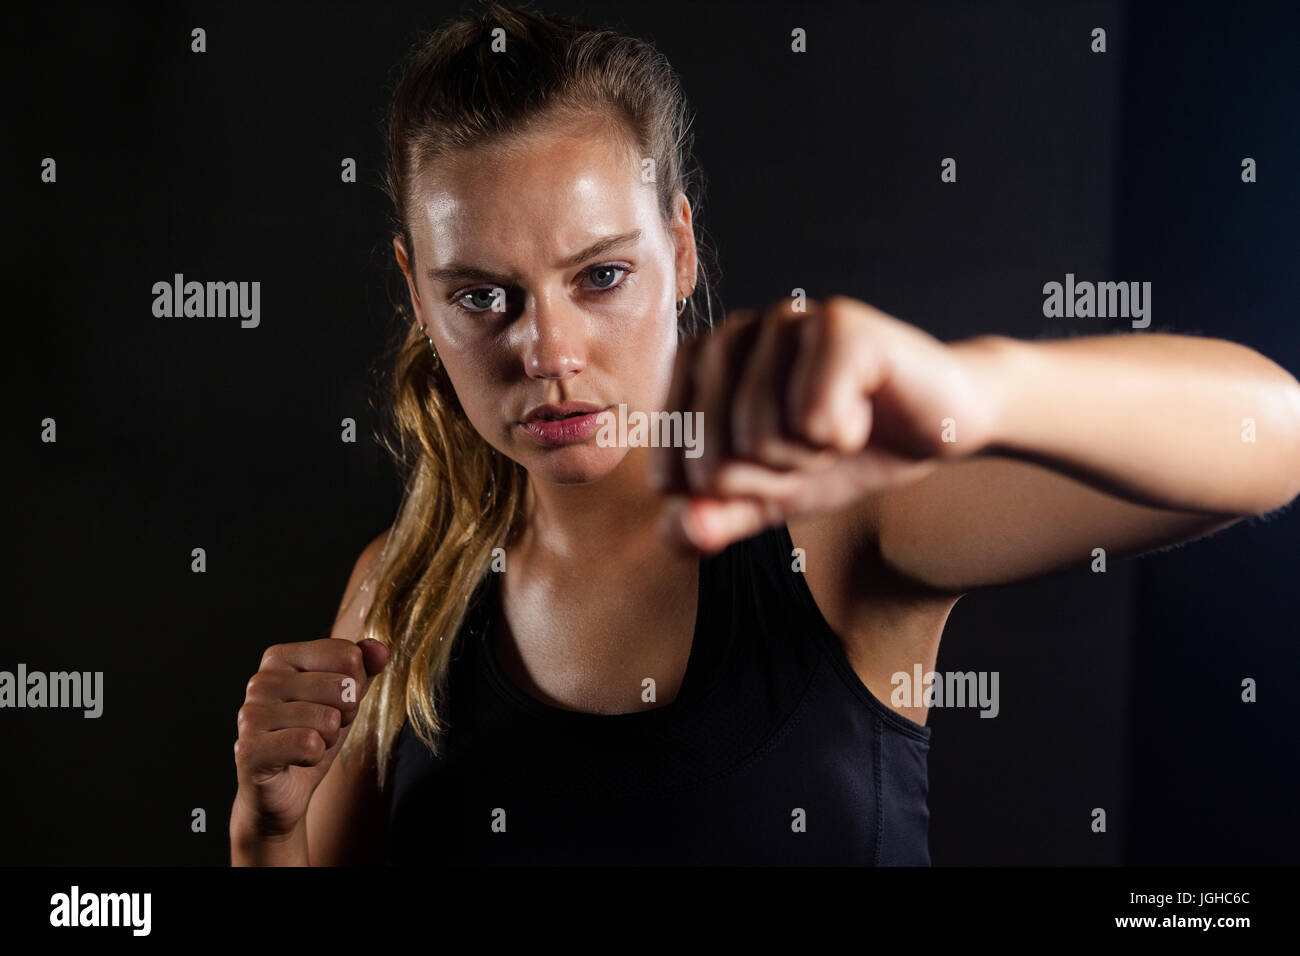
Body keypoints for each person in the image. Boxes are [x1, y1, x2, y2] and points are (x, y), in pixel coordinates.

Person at [229, 3, 1300, 865]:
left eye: (600, 276)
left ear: (680, 250)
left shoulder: (832, 524)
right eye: (483, 296)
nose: (545, 349)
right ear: (418, 294)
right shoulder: (402, 588)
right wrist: (264, 829)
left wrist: (969, 389)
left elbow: (1275, 436)